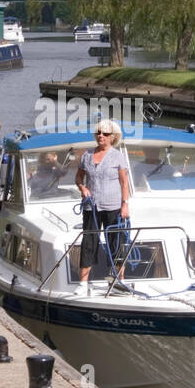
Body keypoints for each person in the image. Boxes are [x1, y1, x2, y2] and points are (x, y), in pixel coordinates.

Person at [75, 119, 131, 296]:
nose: (101, 136)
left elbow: (124, 182)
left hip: (113, 206)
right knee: (89, 241)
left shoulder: (117, 156)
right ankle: (83, 283)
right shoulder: (87, 155)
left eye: (105, 134)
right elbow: (78, 178)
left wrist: (125, 205)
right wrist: (83, 188)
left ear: (112, 137)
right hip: (91, 207)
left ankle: (118, 281)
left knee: (116, 243)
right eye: (99, 132)